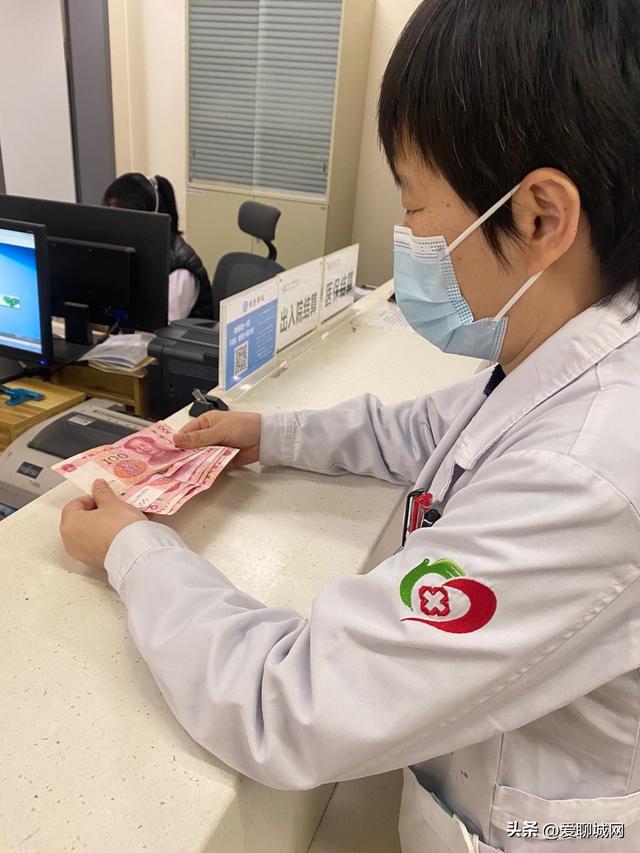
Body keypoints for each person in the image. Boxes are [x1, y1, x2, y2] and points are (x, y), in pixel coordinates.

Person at [61, 1, 640, 850]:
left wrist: (131, 549)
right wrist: (267, 432)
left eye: (415, 204)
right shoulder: (578, 349)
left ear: (541, 216)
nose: (405, 234)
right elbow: (422, 430)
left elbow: (291, 705)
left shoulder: (588, 470)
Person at [103, 173, 213, 321]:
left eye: (120, 222)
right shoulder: (129, 252)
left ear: (147, 220)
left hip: (169, 342)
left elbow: (164, 333)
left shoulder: (179, 270)